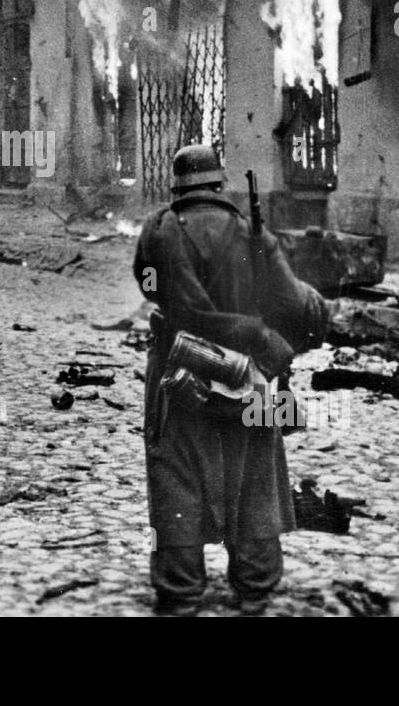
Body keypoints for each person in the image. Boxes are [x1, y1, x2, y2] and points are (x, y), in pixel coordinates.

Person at [133, 144, 330, 616]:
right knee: (256, 473)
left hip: (179, 370)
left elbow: (148, 283)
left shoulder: (158, 231)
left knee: (176, 474)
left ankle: (180, 588)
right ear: (221, 186)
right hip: (249, 375)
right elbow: (293, 304)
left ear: (177, 188)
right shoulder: (252, 234)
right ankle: (256, 582)